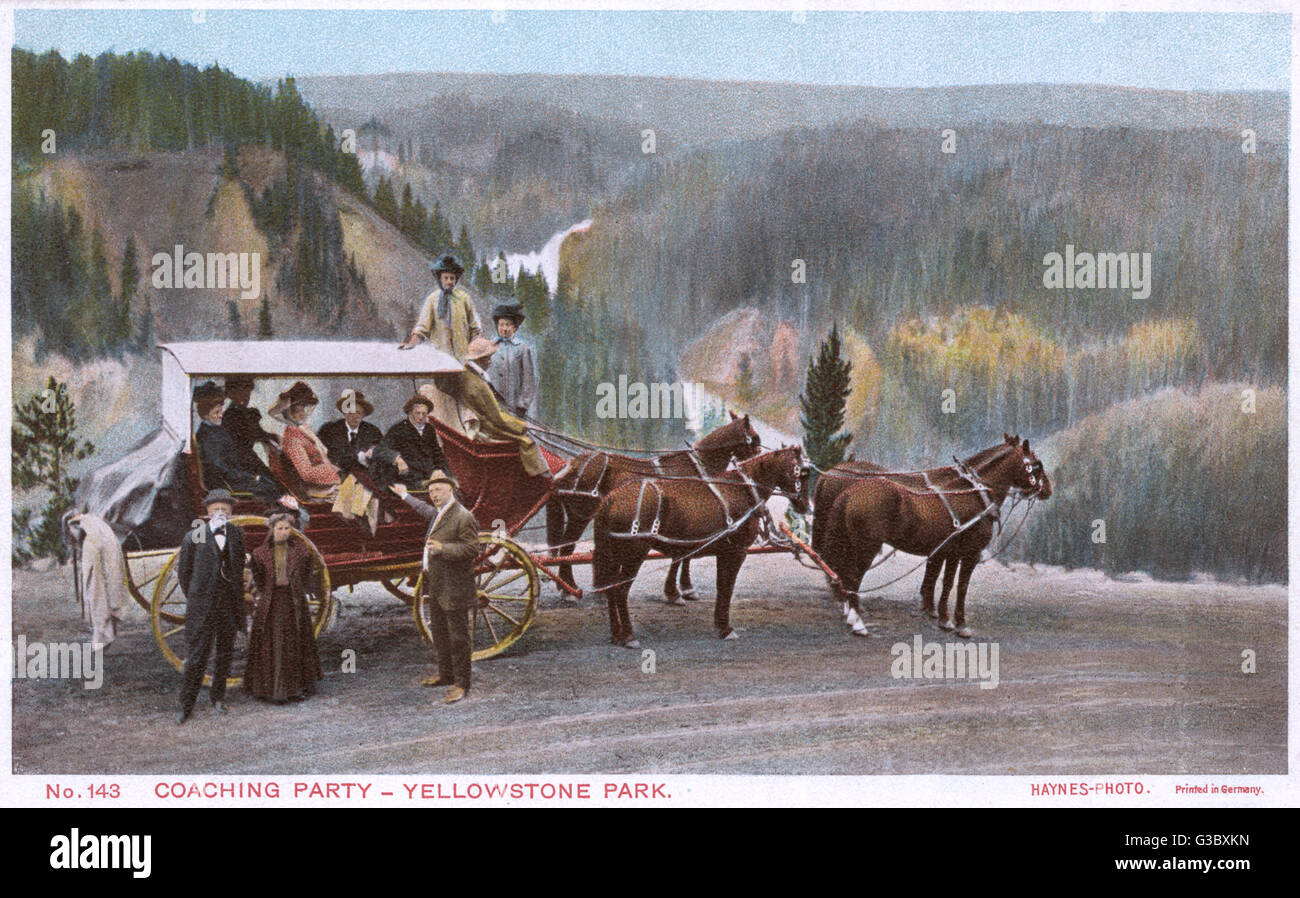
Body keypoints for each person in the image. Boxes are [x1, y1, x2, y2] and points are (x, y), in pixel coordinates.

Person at [390, 471, 480, 704]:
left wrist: (443, 549)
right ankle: (445, 674)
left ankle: (461, 684)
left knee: (459, 637)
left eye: (438, 490)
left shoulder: (463, 516)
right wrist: (404, 495)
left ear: (450, 490)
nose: (434, 495)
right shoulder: (439, 513)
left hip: (455, 585)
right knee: (440, 633)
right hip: (437, 584)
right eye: (431, 492)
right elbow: (424, 509)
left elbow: (472, 549)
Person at [176, 489, 247, 724]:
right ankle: (186, 706)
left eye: (224, 508)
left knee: (225, 654)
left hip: (228, 604)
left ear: (231, 511)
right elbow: (184, 574)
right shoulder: (194, 536)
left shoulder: (236, 534)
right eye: (215, 508)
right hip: (202, 606)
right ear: (207, 512)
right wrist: (198, 597)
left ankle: (218, 697)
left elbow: (237, 570)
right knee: (197, 656)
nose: (220, 512)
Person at [244, 512, 323, 703]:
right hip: (272, 602)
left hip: (294, 601)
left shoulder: (300, 551)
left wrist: (300, 590)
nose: (283, 532)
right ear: (272, 530)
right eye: (279, 529)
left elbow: (306, 575)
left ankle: (296, 689)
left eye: (287, 528)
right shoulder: (260, 554)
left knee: (295, 642)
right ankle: (272, 691)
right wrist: (267, 595)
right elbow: (260, 581)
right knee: (274, 643)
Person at [193, 381, 300, 513]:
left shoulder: (216, 431)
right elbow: (220, 468)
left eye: (221, 410)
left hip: (234, 475)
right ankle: (284, 514)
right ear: (205, 413)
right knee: (266, 485)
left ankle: (287, 510)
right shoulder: (207, 435)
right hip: (225, 482)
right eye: (217, 412)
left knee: (269, 481)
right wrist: (249, 477)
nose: (221, 414)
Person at [457, 337, 550, 477]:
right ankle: (544, 476)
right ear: (479, 359)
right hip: (487, 427)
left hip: (484, 422)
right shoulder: (478, 384)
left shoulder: (468, 374)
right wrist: (524, 425)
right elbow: (497, 418)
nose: (490, 361)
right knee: (526, 441)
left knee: (521, 431)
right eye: (487, 358)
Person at [397, 254, 482, 360]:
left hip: (463, 357)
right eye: (446, 278)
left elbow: (475, 328)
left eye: (452, 278)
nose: (449, 281)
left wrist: (474, 348)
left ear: (456, 280)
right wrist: (412, 343)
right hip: (440, 357)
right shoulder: (432, 300)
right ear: (440, 279)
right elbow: (422, 328)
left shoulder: (465, 299)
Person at [271, 381, 341, 501]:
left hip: (326, 482)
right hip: (315, 489)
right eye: (297, 411)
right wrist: (333, 473)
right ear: (289, 414)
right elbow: (307, 473)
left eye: (303, 409)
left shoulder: (304, 431)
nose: (302, 414)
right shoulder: (293, 439)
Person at [376, 394, 449, 489]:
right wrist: (397, 459)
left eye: (424, 414)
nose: (421, 417)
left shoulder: (429, 429)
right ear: (409, 412)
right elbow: (380, 449)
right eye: (417, 413)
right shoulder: (398, 429)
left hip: (429, 478)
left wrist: (441, 471)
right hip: (408, 480)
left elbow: (437, 454)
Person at [221, 375, 279, 480]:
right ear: (231, 394)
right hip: (239, 461)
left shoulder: (248, 413)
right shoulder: (230, 415)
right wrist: (267, 439)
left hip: (249, 457)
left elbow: (258, 432)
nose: (245, 396)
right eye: (241, 393)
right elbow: (251, 434)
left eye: (247, 392)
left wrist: (272, 437)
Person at [487, 302, 538, 420]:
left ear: (514, 327)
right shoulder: (490, 346)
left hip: (514, 405)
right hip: (493, 403)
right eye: (501, 325)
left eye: (508, 325)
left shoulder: (522, 348)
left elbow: (528, 380)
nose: (504, 328)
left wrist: (523, 404)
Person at [317, 389, 385, 474]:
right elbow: (318, 455)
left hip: (365, 478)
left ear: (363, 414)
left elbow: (383, 457)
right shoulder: (328, 430)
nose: (354, 416)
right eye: (350, 413)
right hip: (335, 477)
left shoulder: (373, 432)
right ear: (344, 412)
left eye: (358, 413)